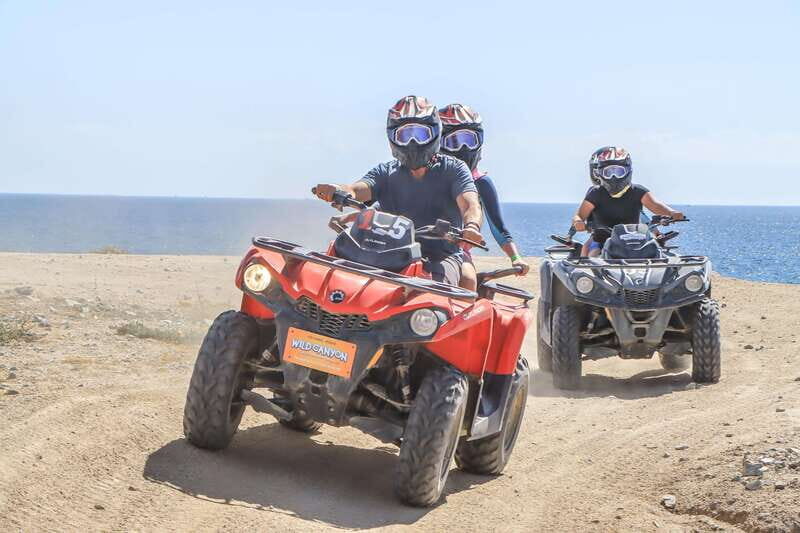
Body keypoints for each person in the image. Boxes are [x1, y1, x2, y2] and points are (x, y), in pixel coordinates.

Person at [314, 95, 484, 289]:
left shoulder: (454, 169)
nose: (412, 142)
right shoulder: (386, 171)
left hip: (439, 254)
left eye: (420, 135)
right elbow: (358, 188)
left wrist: (471, 226)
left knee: (438, 295)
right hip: (382, 250)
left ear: (435, 133)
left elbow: (470, 203)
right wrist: (339, 190)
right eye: (404, 136)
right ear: (392, 138)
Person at [438, 103, 529, 289]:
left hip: (455, 252)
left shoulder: (481, 182)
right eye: (453, 141)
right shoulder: (425, 176)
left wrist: (515, 258)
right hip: (413, 246)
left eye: (469, 140)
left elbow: (498, 227)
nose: (462, 147)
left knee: (468, 281)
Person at [572, 146, 684, 257]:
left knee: (656, 252)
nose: (613, 177)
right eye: (608, 172)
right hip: (601, 238)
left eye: (619, 171)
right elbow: (579, 215)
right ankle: (584, 273)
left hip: (636, 238)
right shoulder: (596, 193)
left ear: (628, 170)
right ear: (600, 173)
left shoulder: (638, 191)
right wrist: (578, 222)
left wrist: (671, 213)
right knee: (590, 252)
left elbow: (655, 205)